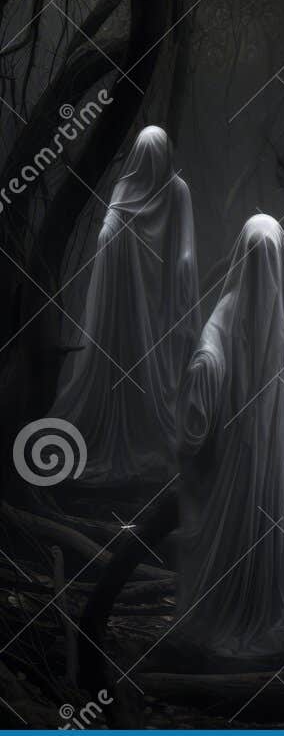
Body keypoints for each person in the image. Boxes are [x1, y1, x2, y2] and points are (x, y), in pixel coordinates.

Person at [173, 215, 284, 661]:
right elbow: (212, 348)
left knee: (271, 516)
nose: (263, 265)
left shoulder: (281, 302)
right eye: (257, 255)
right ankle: (251, 605)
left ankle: (266, 604)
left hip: (279, 446)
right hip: (255, 447)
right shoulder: (266, 303)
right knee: (252, 519)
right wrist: (206, 364)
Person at [50, 126, 199, 485]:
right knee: (124, 363)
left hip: (159, 302)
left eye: (156, 154)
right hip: (125, 306)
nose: (151, 162)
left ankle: (151, 432)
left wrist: (181, 274)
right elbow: (109, 228)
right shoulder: (125, 189)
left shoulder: (177, 190)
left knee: (157, 369)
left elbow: (186, 250)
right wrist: (111, 237)